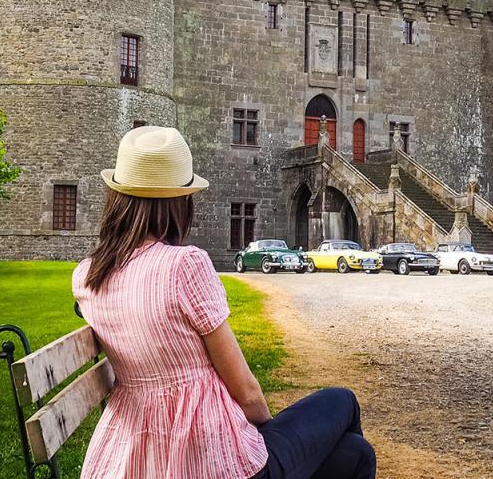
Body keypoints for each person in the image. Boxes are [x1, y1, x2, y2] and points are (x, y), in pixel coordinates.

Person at [72, 126, 376, 479]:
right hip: (215, 461)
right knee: (343, 401)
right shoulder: (184, 266)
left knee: (355, 453)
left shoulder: (87, 276)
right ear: (179, 202)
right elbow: (246, 393)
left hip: (133, 457)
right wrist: (266, 435)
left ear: (117, 199)